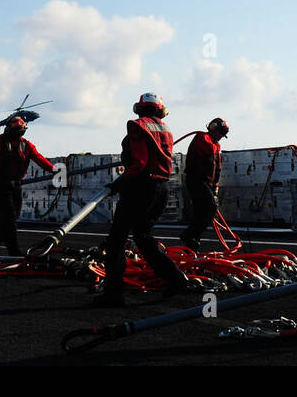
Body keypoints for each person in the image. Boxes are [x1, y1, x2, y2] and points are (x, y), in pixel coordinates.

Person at [93, 93, 191, 306]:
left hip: (141, 187)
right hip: (161, 187)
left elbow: (139, 162)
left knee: (117, 239)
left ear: (139, 108)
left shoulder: (138, 126)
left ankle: (114, 294)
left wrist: (120, 182)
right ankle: (175, 278)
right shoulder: (166, 129)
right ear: (159, 109)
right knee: (143, 235)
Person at [0, 116, 56, 256]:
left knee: (9, 220)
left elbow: (40, 159)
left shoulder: (26, 145)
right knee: (9, 221)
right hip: (1, 186)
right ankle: (13, 251)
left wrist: (55, 170)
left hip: (16, 187)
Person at [179, 117, 228, 251]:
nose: (221, 137)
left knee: (201, 212)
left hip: (207, 183)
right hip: (196, 180)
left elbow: (217, 167)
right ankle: (189, 235)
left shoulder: (216, 145)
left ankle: (192, 243)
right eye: (220, 133)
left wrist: (215, 186)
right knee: (211, 208)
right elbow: (207, 150)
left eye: (223, 134)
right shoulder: (202, 138)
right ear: (213, 129)